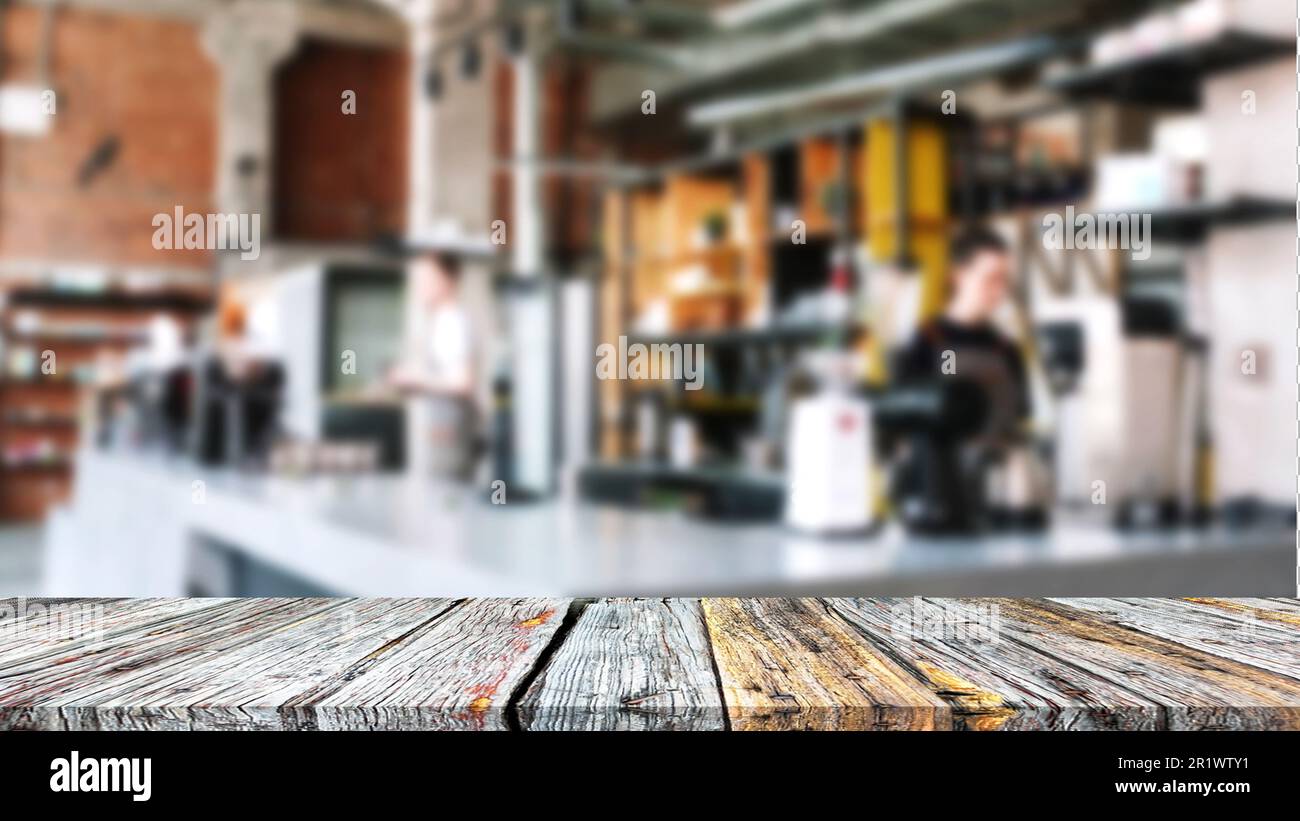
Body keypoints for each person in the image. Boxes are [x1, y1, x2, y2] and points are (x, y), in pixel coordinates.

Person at [895, 224, 1030, 447]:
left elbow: (1020, 421)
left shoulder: (1006, 350)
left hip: (996, 474)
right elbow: (904, 421)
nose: (1000, 291)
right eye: (991, 279)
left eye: (1004, 280)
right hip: (939, 475)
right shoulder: (930, 341)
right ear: (958, 276)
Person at [388, 250, 479, 479]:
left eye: (426, 279)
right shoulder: (441, 321)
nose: (419, 287)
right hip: (440, 434)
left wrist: (413, 378)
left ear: (447, 280)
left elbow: (463, 383)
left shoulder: (453, 323)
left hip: (449, 435)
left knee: (448, 504)